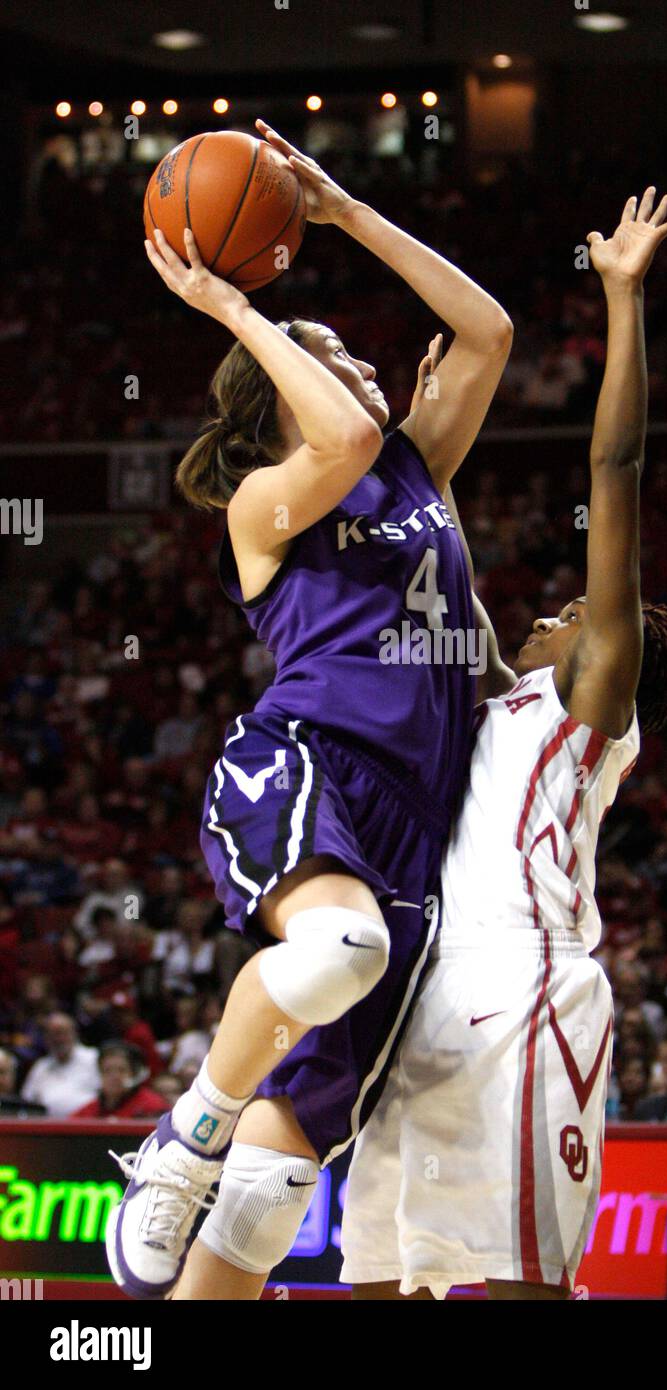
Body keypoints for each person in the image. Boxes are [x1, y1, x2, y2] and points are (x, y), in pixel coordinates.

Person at [108, 118, 513, 1301]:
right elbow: (335, 428)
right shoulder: (265, 502)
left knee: (278, 1181)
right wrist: (242, 313)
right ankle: (180, 1143)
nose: (372, 372)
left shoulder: (413, 473)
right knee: (337, 949)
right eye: (340, 356)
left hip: (416, 829)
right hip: (309, 766)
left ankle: (210, 1212)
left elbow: (486, 332)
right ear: (281, 393)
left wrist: (339, 213)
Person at [337, 187, 667, 1299]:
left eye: (577, 612)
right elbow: (427, 556)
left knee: (520, 1282)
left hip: (525, 984)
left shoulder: (590, 710)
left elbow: (613, 471)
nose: (556, 610)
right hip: (421, 986)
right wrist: (418, 433)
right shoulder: (483, 695)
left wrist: (622, 300)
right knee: (387, 1277)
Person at [19, 1012, 100, 1117]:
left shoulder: (94, 1058)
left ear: (74, 1033)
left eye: (62, 1033)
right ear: (46, 1038)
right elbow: (26, 1101)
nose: (58, 1039)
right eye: (52, 1034)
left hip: (88, 1127)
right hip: (47, 1129)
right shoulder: (41, 1066)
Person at [71, 1043, 169, 1120]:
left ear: (135, 1074)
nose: (114, 1076)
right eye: (107, 1070)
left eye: (122, 1070)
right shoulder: (89, 1111)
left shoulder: (153, 1106)